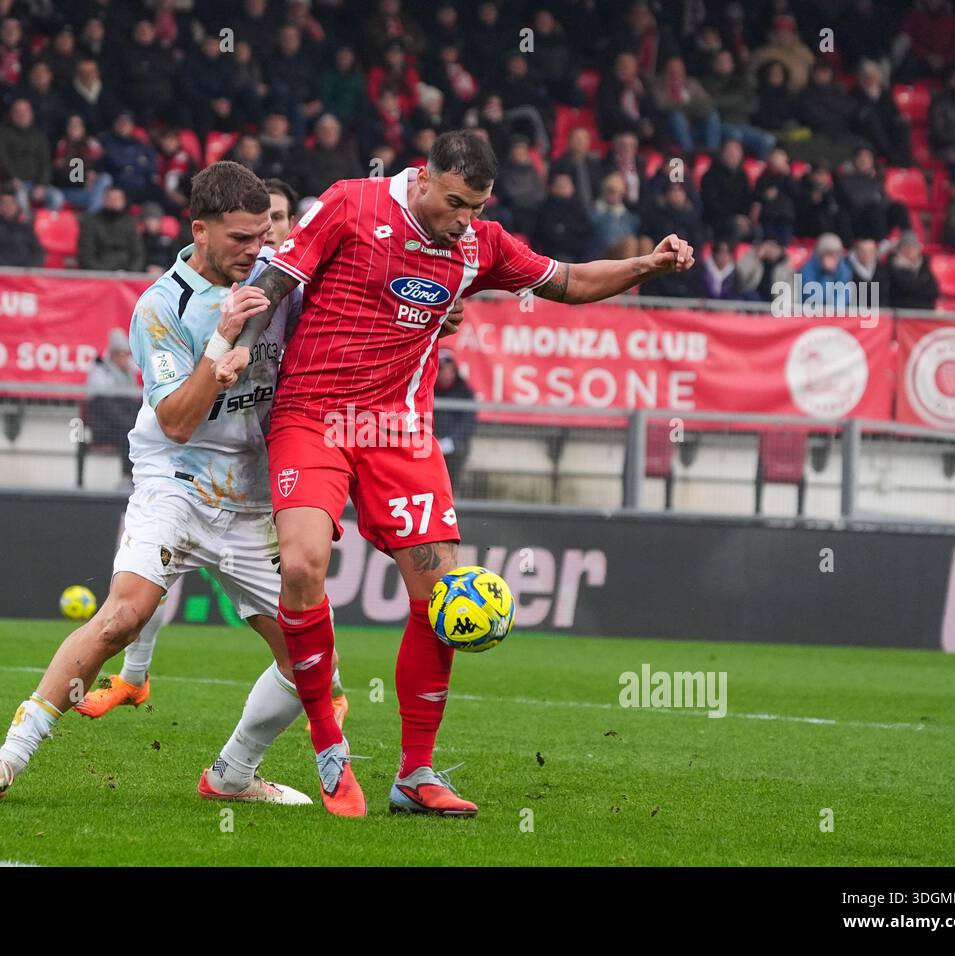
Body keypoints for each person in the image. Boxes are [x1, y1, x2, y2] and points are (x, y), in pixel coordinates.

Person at [215, 130, 694, 817]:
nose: (463, 219)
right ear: (422, 179)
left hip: (398, 428)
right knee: (301, 567)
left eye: (476, 206)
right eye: (454, 202)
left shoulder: (480, 246)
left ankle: (415, 774)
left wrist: (648, 264)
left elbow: (570, 282)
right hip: (313, 415)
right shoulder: (351, 206)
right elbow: (273, 281)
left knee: (441, 598)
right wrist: (226, 349)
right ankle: (328, 742)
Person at [0, 162, 348, 805]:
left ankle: (232, 775)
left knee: (313, 667)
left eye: (264, 233)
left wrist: (434, 316)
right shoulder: (163, 306)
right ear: (200, 229)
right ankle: (6, 759)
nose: (256, 249)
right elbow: (178, 421)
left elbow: (354, 307)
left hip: (255, 493)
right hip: (178, 479)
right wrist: (220, 344)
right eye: (240, 239)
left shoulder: (281, 280)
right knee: (122, 618)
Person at [83, 328, 138, 477]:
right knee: (129, 434)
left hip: (122, 424)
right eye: (122, 355)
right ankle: (127, 477)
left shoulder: (128, 373)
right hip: (104, 428)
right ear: (113, 355)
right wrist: (129, 424)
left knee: (135, 428)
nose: (125, 359)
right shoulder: (100, 370)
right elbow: (103, 405)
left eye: (127, 355)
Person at [433, 350, 476, 488]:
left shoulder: (464, 391)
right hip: (428, 443)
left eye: (450, 370)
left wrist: (450, 441)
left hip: (454, 446)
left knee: (458, 452)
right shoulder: (425, 389)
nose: (446, 375)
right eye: (442, 370)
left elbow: (467, 422)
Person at [77, 186, 144, 272]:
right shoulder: (91, 222)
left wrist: (130, 273)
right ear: (104, 200)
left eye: (118, 199)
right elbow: (86, 254)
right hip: (98, 275)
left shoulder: (130, 222)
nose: (115, 202)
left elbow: (138, 254)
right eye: (111, 198)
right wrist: (104, 273)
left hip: (127, 276)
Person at [0, 188, 44, 267]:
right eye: (2, 203)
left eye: (11, 203)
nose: (7, 206)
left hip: (24, 274)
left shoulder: (25, 227)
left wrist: (27, 268)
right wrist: (7, 269)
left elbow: (38, 251)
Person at [884, 231, 939, 309]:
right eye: (906, 247)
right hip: (900, 313)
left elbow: (934, 292)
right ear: (899, 249)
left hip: (925, 313)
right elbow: (898, 292)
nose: (910, 250)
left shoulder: (925, 267)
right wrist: (920, 289)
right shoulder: (891, 268)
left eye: (914, 247)